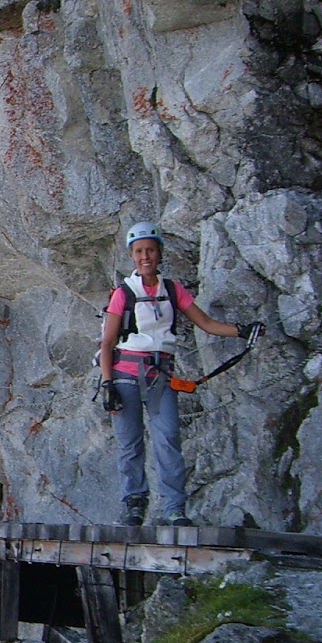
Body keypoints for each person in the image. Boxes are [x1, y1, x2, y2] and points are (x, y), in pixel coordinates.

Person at [97, 223, 260, 527]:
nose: (145, 256)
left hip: (160, 376)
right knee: (130, 444)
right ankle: (134, 506)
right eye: (139, 251)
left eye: (150, 250)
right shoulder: (123, 293)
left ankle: (175, 509)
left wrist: (241, 331)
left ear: (159, 252)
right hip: (124, 376)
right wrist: (107, 384)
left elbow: (206, 323)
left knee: (169, 439)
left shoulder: (172, 290)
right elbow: (107, 342)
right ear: (132, 256)